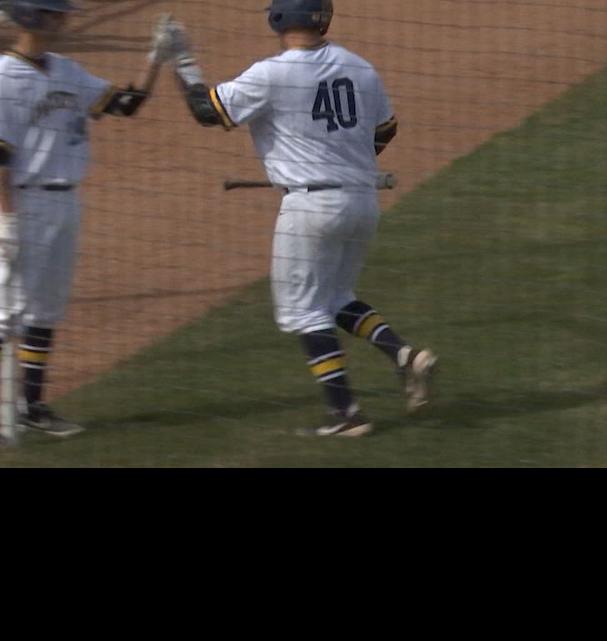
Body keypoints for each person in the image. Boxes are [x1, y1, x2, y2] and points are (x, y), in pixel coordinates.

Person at [155, 0, 436, 437]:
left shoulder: (272, 74)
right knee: (336, 295)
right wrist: (345, 162)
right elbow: (385, 130)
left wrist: (183, 60)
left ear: (277, 19)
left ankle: (346, 414)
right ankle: (404, 356)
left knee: (304, 311)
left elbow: (207, 111)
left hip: (309, 208)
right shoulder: (360, 67)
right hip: (363, 201)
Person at [0, 0, 163, 438]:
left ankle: (32, 406)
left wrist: (157, 60)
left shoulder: (68, 71)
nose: (65, 19)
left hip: (65, 204)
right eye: (56, 13)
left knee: (44, 312)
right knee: (6, 314)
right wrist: (6, 220)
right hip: (23, 205)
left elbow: (124, 105)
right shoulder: (3, 79)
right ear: (33, 17)